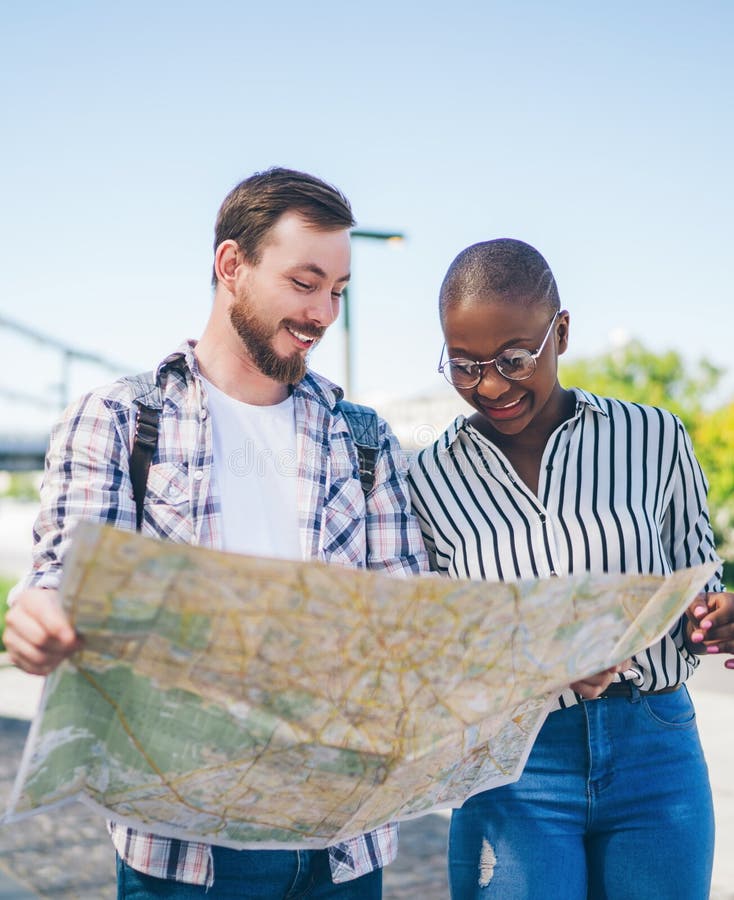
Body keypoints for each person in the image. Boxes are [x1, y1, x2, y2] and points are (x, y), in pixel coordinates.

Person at [4, 167, 429, 900]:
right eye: (305, 282)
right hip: (187, 848)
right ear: (231, 266)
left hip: (342, 846)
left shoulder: (364, 440)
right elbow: (64, 580)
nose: (324, 312)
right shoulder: (115, 420)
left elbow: (409, 613)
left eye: (339, 290)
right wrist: (39, 613)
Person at [408, 238, 734, 899]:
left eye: (514, 358)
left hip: (656, 751)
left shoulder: (654, 438)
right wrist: (536, 657)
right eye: (465, 365)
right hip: (510, 767)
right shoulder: (429, 480)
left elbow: (699, 576)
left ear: (560, 331)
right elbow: (429, 644)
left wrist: (716, 614)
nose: (491, 386)